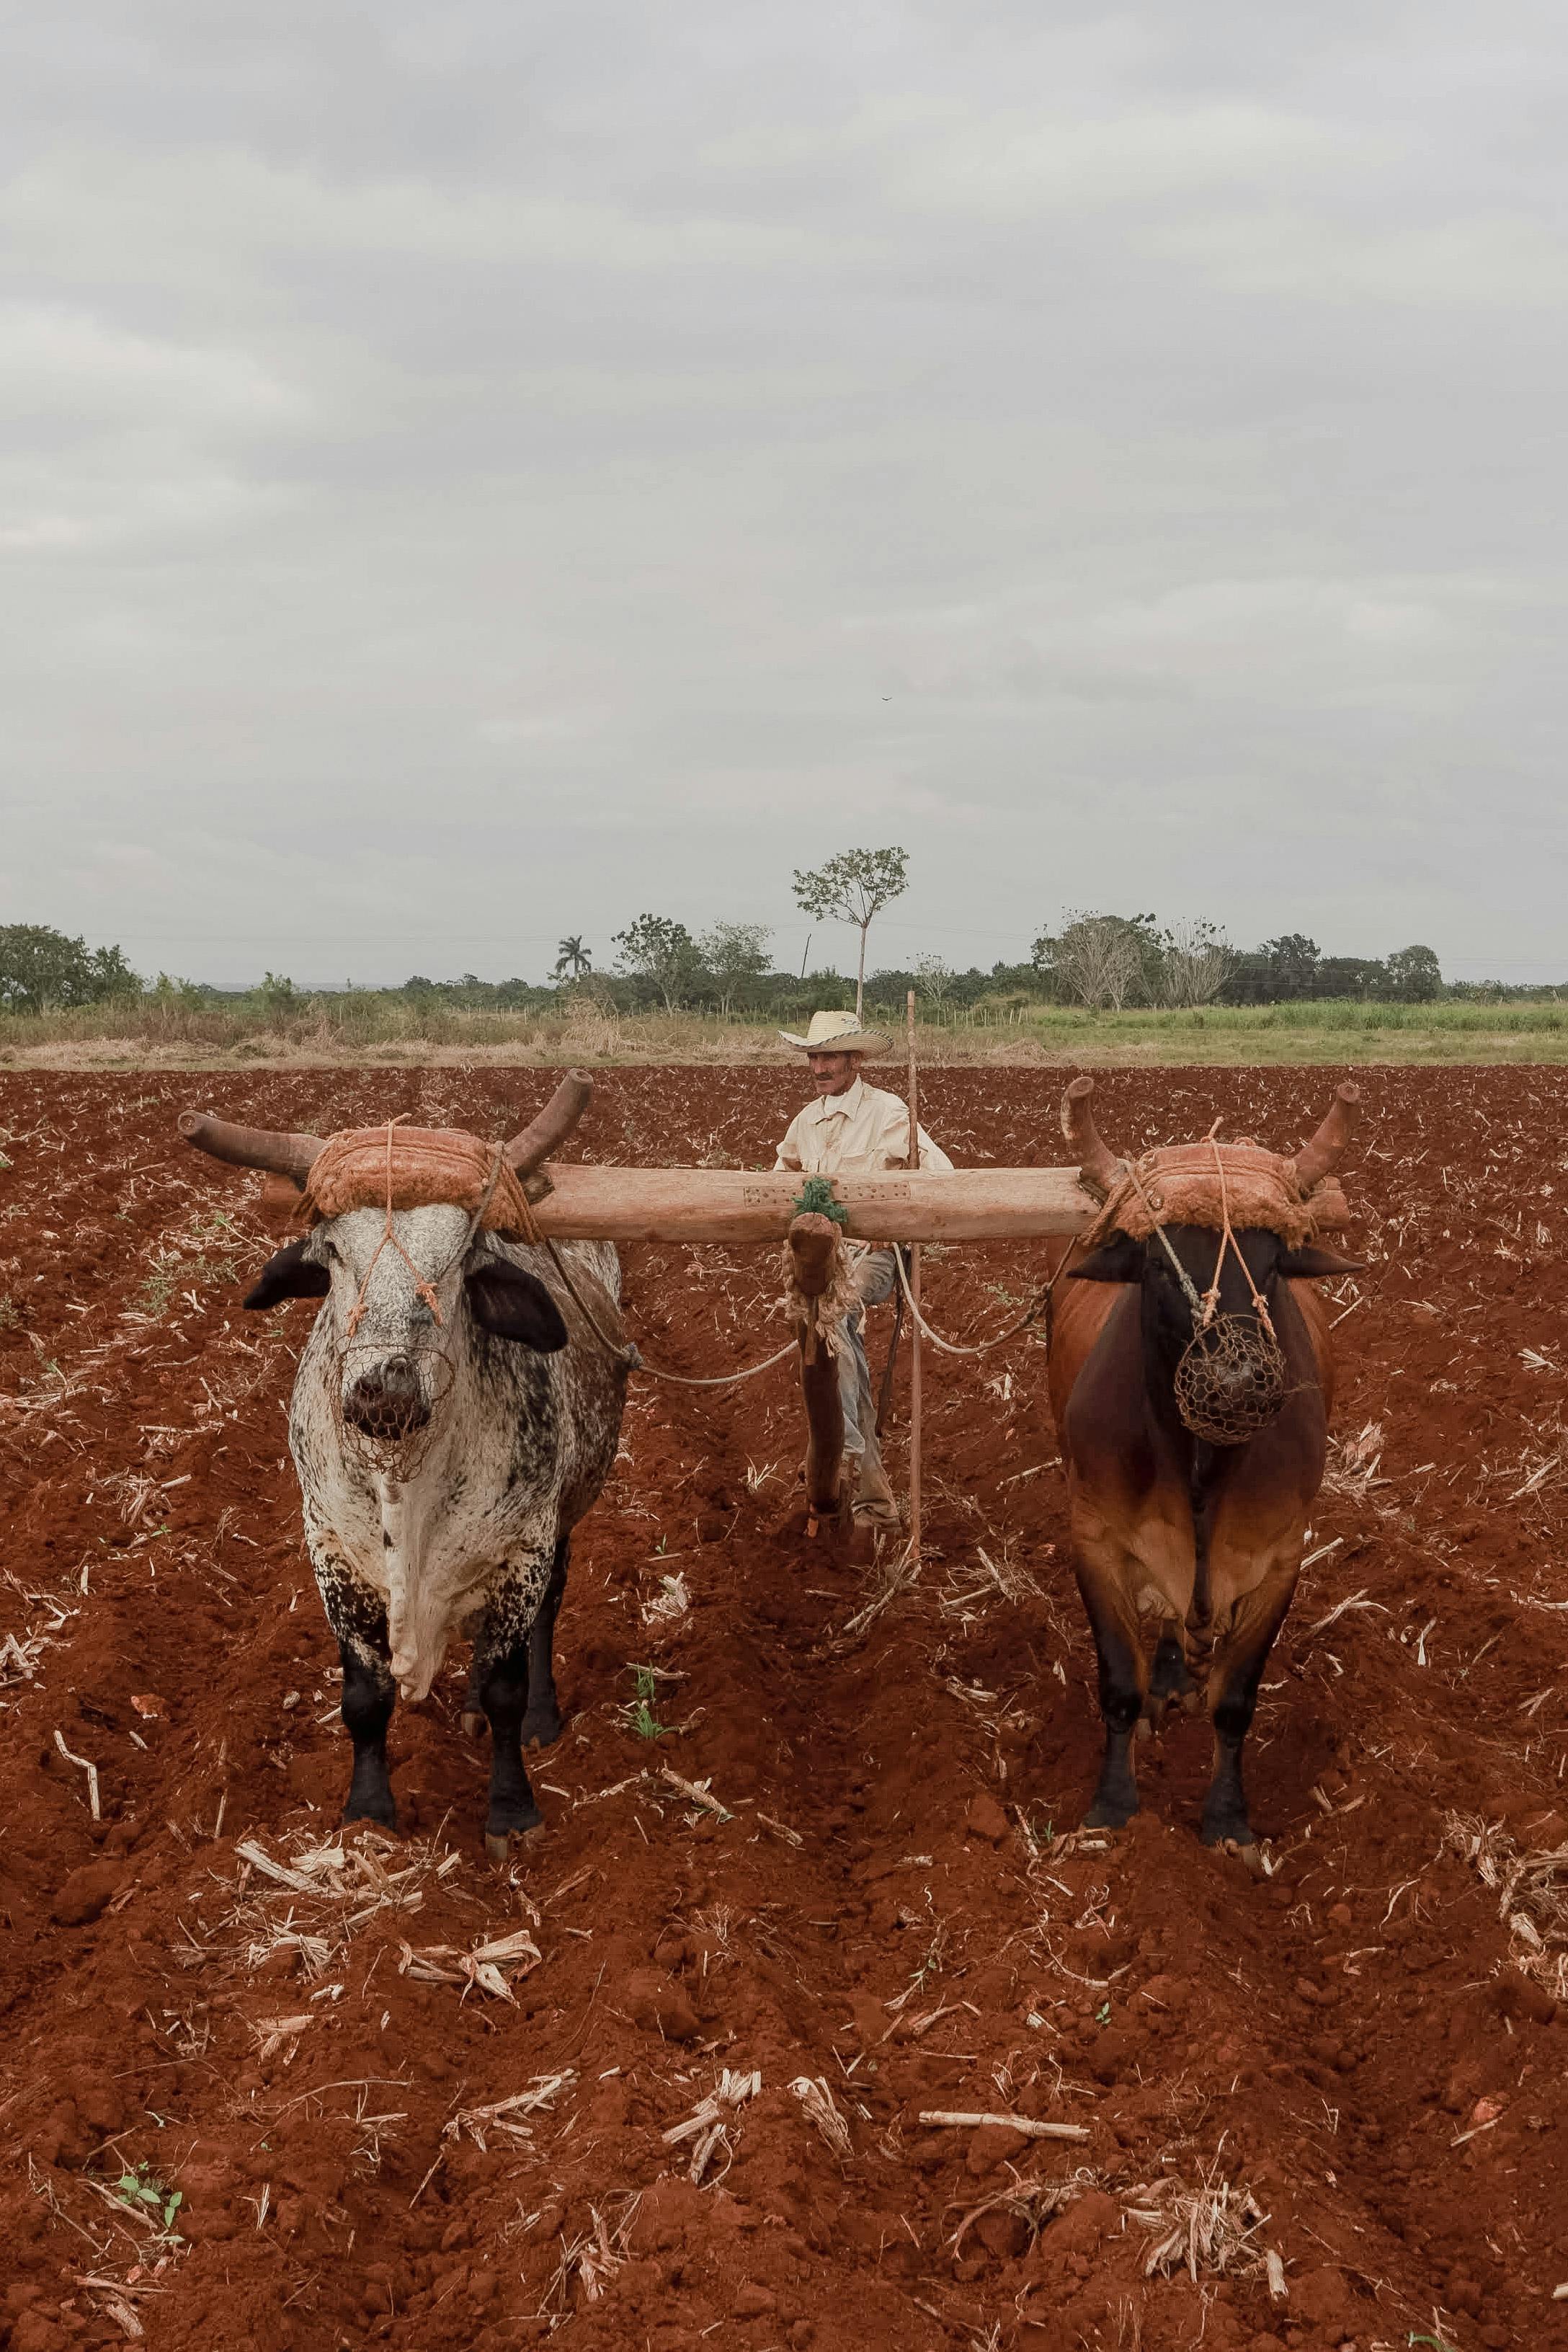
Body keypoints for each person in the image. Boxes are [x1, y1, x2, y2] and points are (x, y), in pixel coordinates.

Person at [774, 1008, 953, 1531]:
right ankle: (873, 1499)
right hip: (819, 1262)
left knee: (832, 1316)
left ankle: (844, 1452)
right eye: (814, 1056)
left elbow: (941, 1176)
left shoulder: (890, 1112)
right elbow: (777, 1179)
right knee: (830, 1332)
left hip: (874, 1256)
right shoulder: (805, 1123)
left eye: (830, 1055)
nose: (820, 1066)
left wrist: (895, 1219)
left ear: (855, 1059)